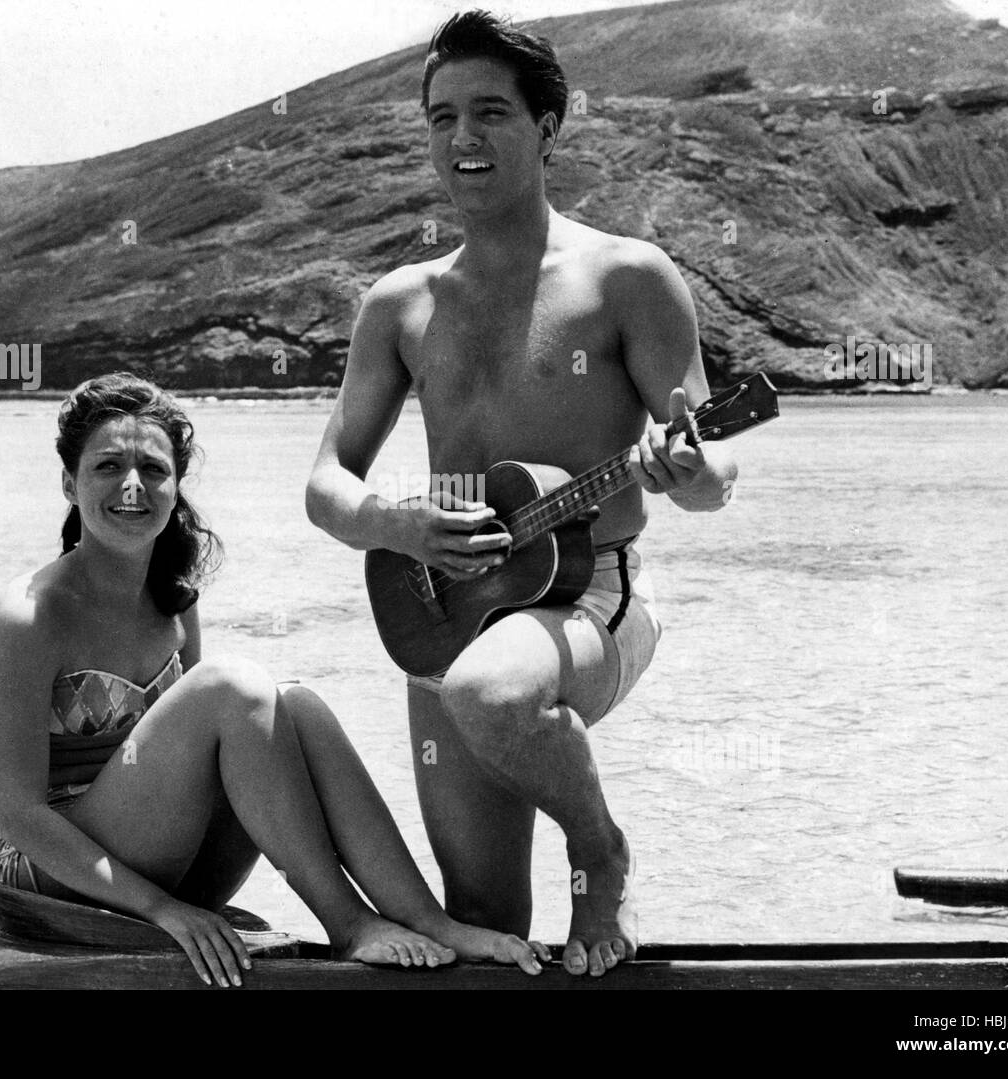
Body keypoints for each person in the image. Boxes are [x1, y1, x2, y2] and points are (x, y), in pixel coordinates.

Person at [306, 11, 738, 977]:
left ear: (548, 126)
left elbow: (712, 473)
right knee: (489, 924)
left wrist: (689, 470)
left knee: (491, 691)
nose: (462, 139)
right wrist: (394, 521)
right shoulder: (400, 303)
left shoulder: (627, 277)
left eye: (491, 112)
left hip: (593, 597)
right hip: (448, 608)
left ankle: (601, 851)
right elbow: (326, 485)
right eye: (441, 117)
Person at [0, 371, 548, 987]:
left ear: (176, 486)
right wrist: (167, 913)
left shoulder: (171, 597)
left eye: (154, 469)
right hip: (54, 875)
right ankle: (349, 925)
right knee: (232, 688)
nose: (132, 487)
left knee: (297, 705)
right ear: (69, 482)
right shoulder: (29, 616)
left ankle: (428, 920)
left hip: (167, 857)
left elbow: (205, 762)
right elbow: (20, 817)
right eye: (108, 467)